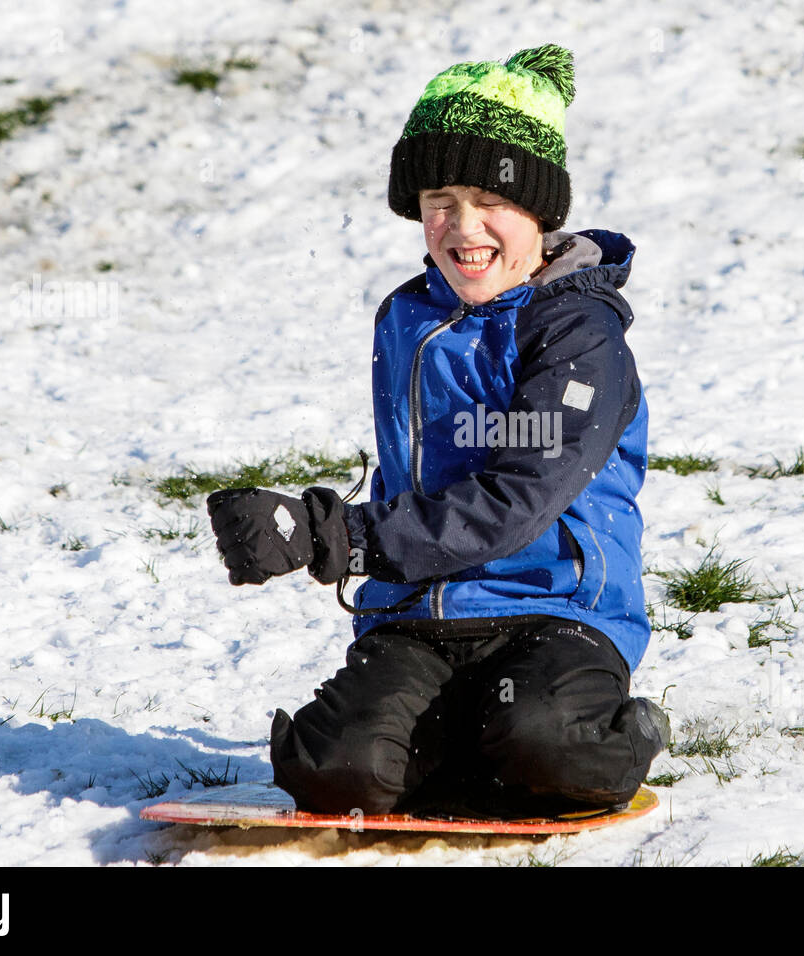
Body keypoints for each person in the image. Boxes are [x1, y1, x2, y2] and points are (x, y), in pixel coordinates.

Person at [206, 43, 668, 818]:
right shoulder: (409, 318)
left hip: (553, 612)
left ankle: (615, 731)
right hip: (420, 614)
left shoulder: (581, 336)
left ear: (542, 213)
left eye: (494, 200)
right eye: (440, 201)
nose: (464, 227)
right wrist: (305, 523)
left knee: (545, 747)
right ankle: (465, 736)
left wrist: (338, 536)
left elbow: (517, 496)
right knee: (335, 770)